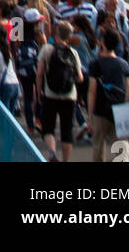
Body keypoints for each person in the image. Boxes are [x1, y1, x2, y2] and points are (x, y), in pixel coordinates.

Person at [36, 19, 83, 163]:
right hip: (69, 96)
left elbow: (39, 73)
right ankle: (65, 160)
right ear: (69, 37)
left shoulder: (47, 49)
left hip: (50, 94)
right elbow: (80, 77)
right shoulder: (73, 53)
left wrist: (39, 92)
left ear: (56, 34)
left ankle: (51, 153)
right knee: (67, 130)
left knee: (48, 127)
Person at [86, 26, 129, 162]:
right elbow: (128, 90)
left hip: (101, 110)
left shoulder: (95, 64)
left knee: (98, 147)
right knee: (122, 146)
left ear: (103, 43)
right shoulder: (123, 65)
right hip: (119, 110)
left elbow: (92, 91)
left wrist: (90, 116)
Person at [0, 22, 21, 116]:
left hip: (5, 86)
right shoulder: (6, 49)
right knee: (11, 117)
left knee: (4, 117)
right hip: (15, 84)